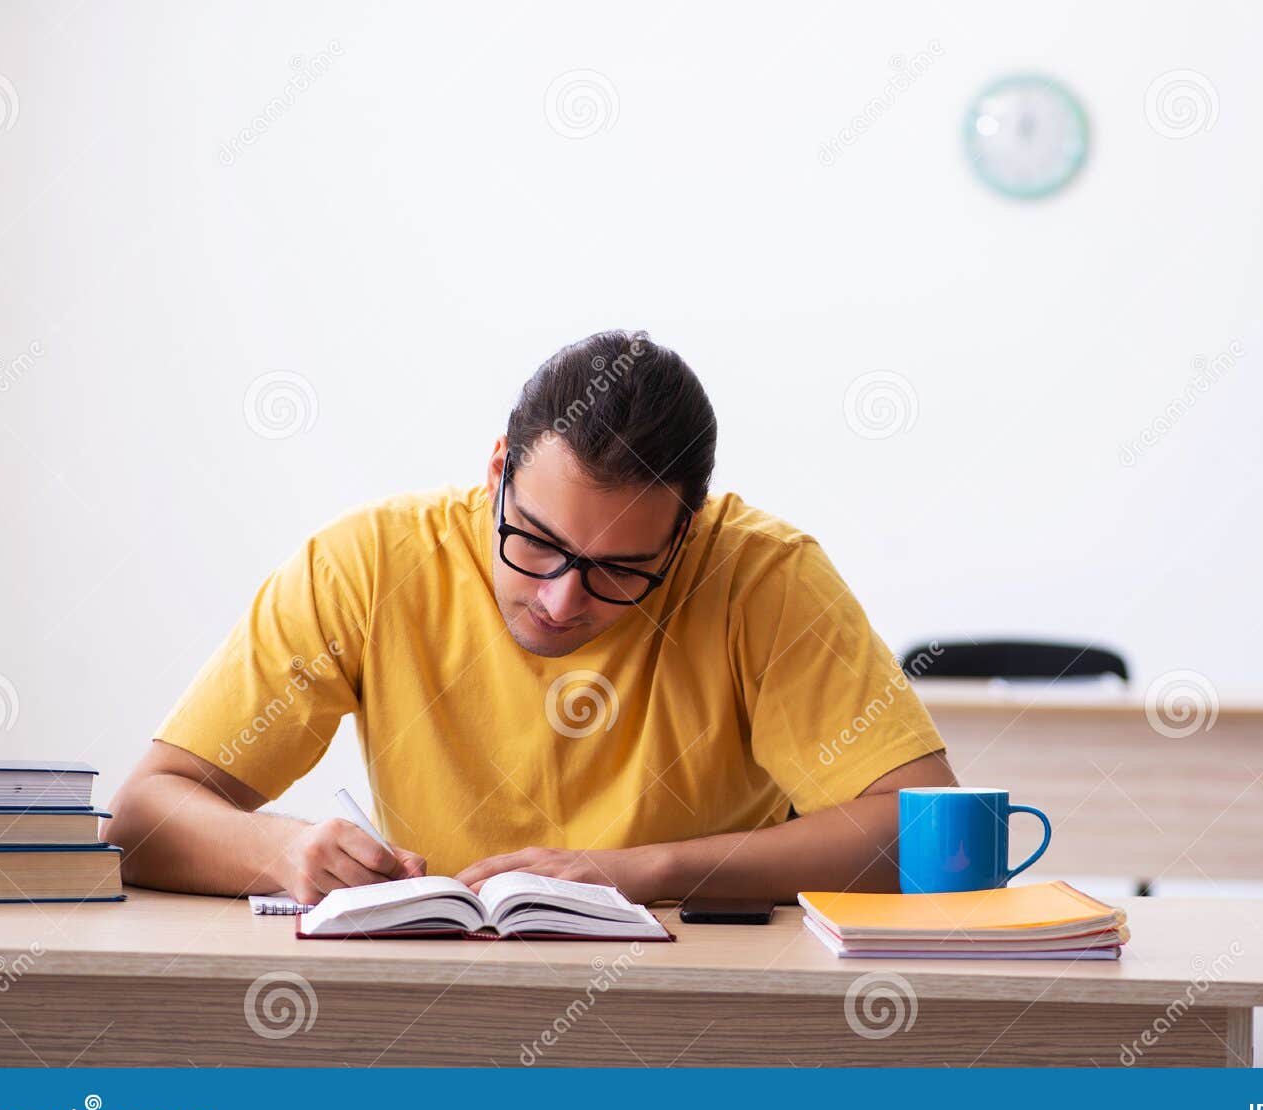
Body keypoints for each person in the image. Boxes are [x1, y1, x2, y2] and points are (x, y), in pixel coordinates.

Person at [107, 330, 954, 904]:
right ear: (498, 472)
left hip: (702, 1007)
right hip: (439, 1007)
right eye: (536, 542)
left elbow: (924, 832)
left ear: (685, 534)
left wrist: (644, 871)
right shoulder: (366, 563)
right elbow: (143, 814)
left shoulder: (765, 576)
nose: (560, 599)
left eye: (621, 569)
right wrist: (283, 853)